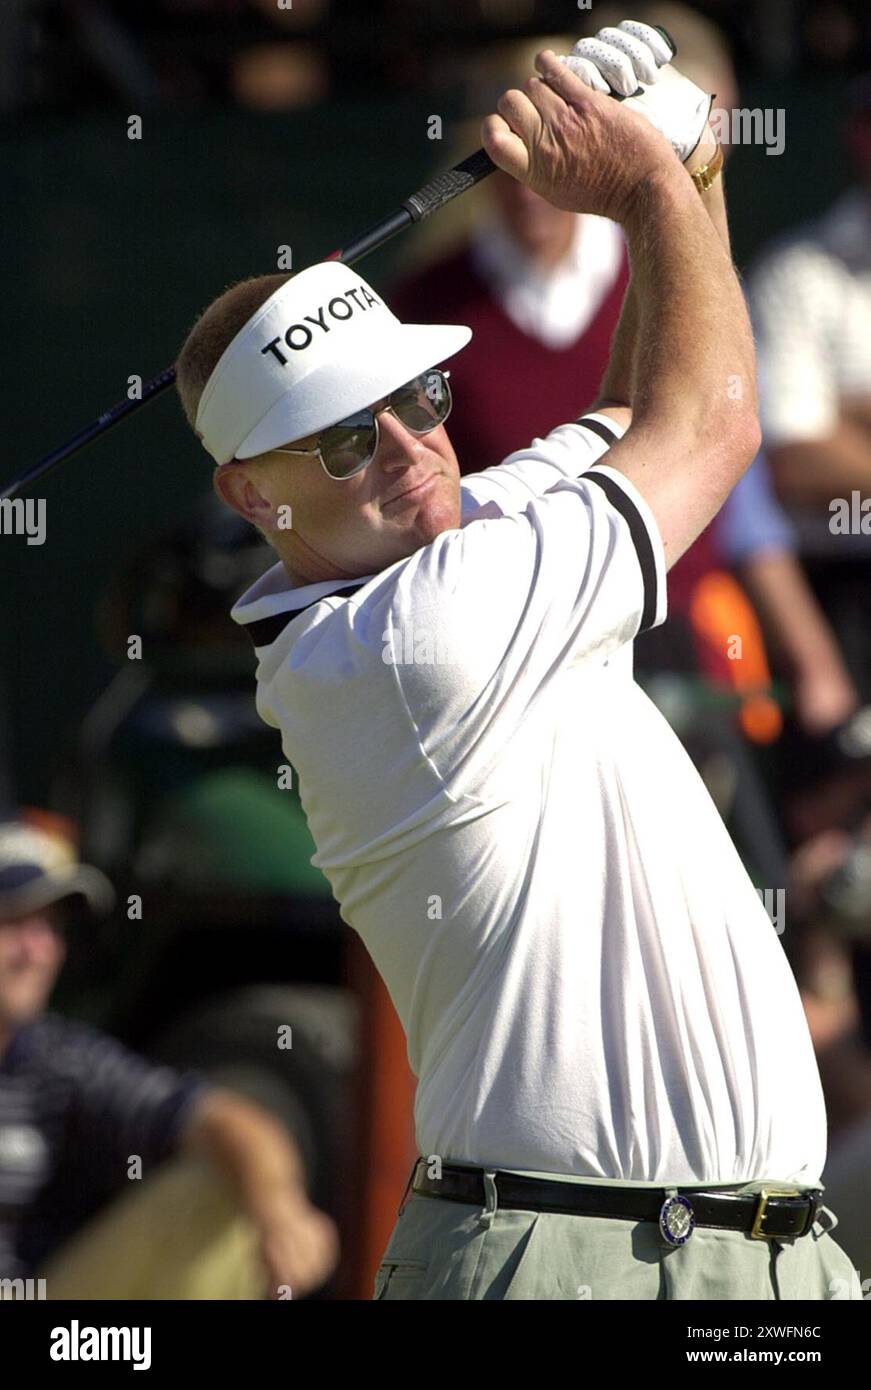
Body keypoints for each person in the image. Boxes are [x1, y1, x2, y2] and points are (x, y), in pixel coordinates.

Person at [174, 22, 860, 1300]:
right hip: (575, 1256)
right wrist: (650, 187)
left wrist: (689, 179)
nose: (407, 447)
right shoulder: (409, 638)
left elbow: (624, 409)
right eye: (338, 442)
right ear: (246, 491)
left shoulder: (460, 543)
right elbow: (706, 425)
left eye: (418, 398)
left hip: (735, 1255)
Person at [0, 813, 338, 1299]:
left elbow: (231, 1123)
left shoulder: (59, 1059)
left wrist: (283, 1213)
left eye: (50, 926)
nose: (38, 950)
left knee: (220, 1187)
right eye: (15, 920)